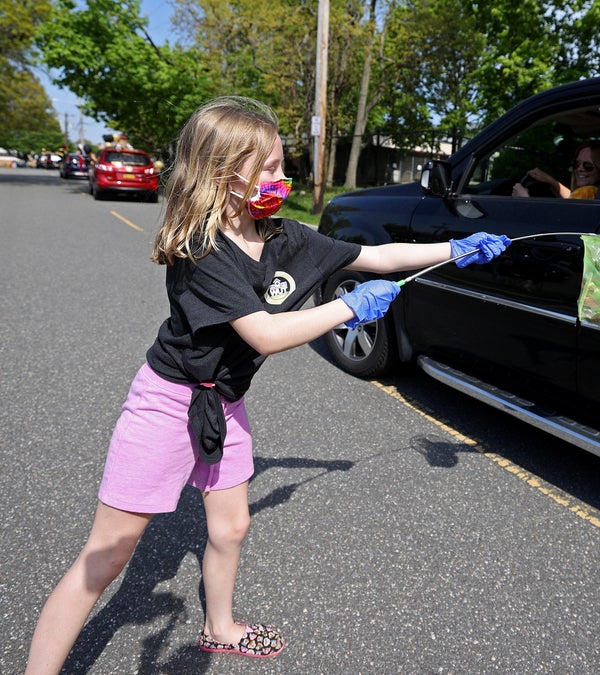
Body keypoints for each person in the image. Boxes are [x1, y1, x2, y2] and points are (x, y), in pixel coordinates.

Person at [24, 95, 510, 674]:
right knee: (107, 558)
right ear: (223, 175)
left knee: (232, 524)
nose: (284, 178)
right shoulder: (200, 252)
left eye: (283, 165)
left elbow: (379, 256)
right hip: (168, 404)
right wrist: (347, 310)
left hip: (224, 402)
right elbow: (265, 335)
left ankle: (220, 627)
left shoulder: (283, 236)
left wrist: (455, 249)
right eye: (272, 169)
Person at [511, 139, 600, 199]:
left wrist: (524, 198)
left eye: (588, 166)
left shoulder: (587, 192)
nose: (579, 169)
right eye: (576, 163)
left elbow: (554, 224)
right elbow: (572, 201)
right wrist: (551, 182)